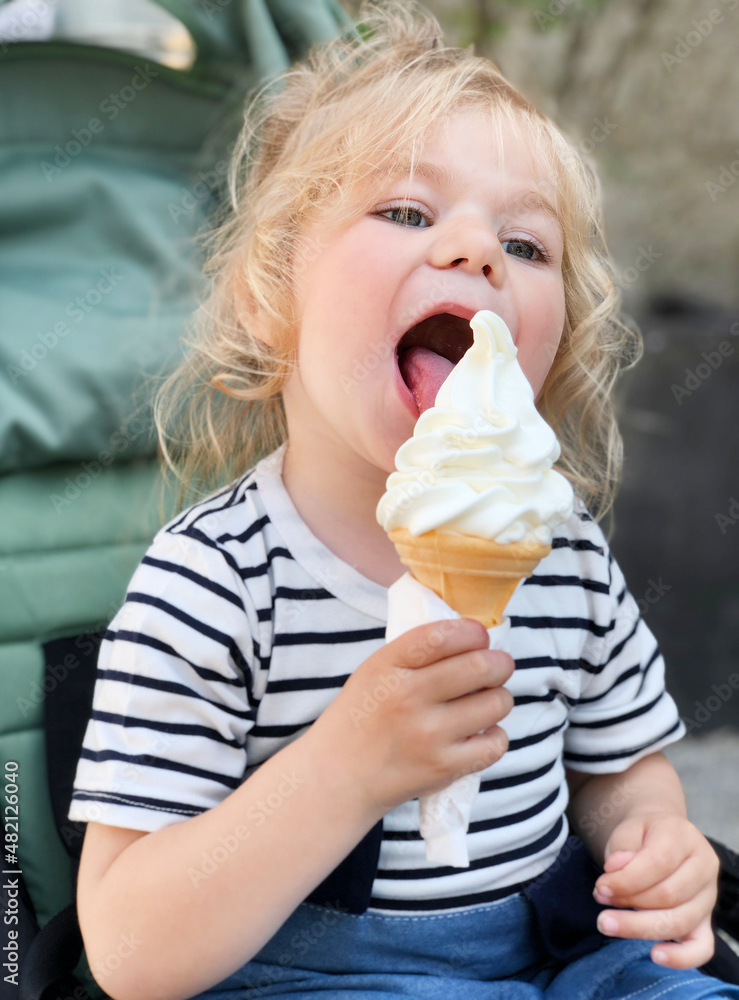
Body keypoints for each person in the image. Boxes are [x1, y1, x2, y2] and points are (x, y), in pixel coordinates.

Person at [69, 3, 731, 998]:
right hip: (311, 975)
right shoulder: (217, 580)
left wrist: (656, 841)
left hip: (552, 946)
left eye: (528, 243)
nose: (476, 252)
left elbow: (617, 767)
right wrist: (343, 766)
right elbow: (126, 948)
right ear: (269, 292)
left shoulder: (564, 556)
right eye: (409, 213)